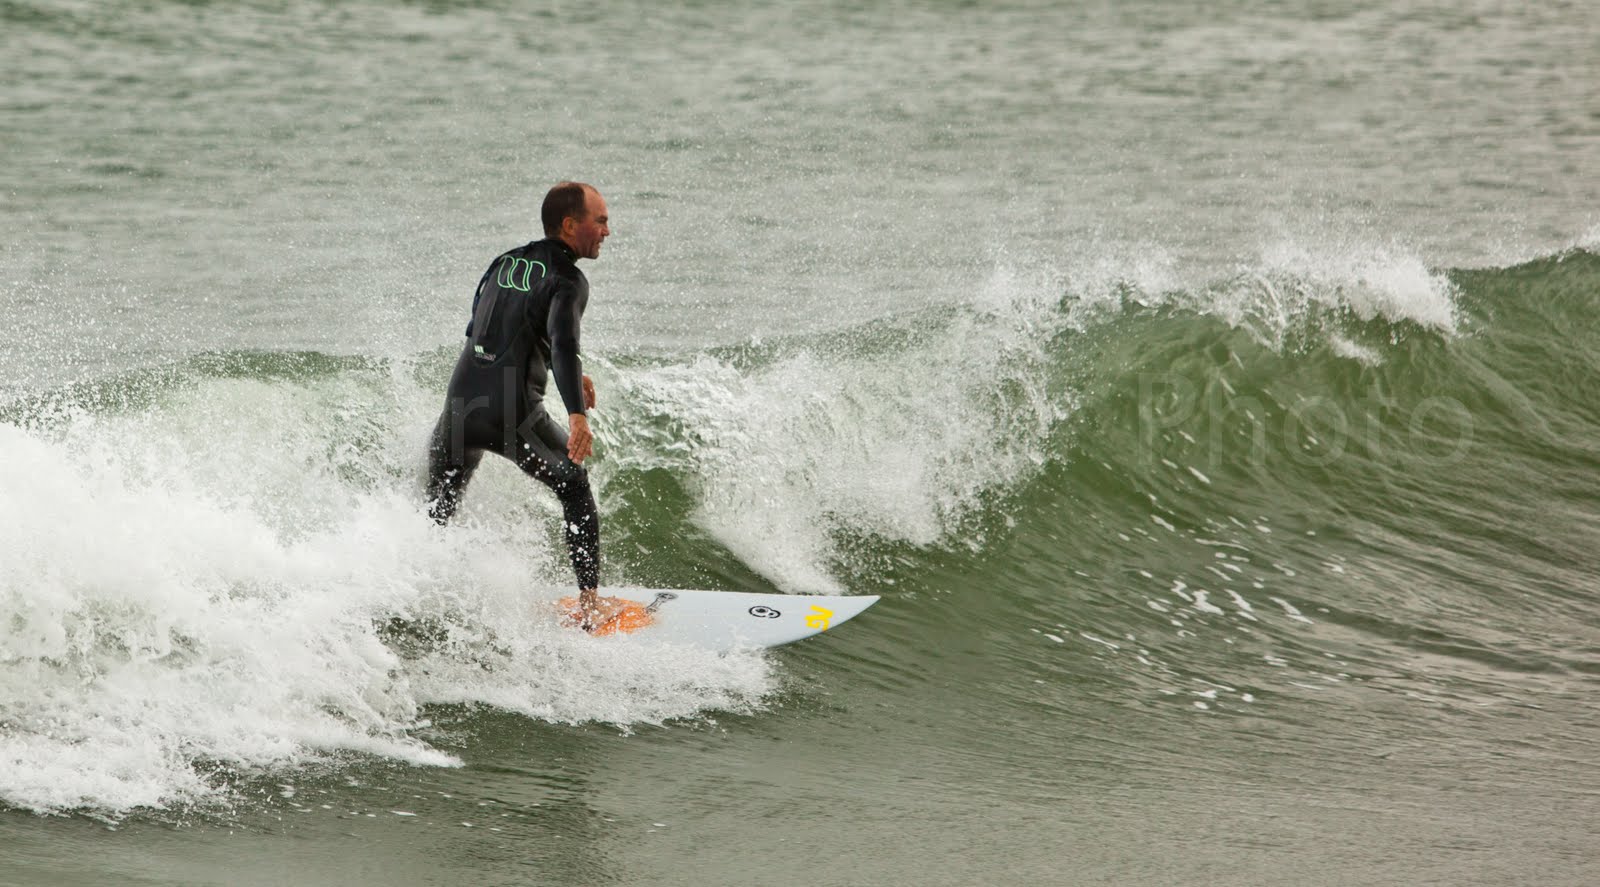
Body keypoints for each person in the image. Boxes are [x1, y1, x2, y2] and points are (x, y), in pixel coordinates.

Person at [426, 181, 614, 628]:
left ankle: (416, 598)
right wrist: (576, 414)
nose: (607, 231)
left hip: (459, 410)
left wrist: (560, 365)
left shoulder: (504, 261)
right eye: (600, 220)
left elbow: (487, 328)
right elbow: (565, 343)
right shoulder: (569, 280)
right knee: (575, 484)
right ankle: (590, 610)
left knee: (434, 519)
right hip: (511, 416)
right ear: (571, 226)